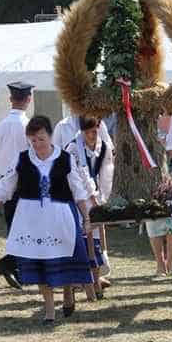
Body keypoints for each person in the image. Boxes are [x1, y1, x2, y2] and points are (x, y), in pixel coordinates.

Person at [0, 115, 96, 325]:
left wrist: (87, 217)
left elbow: (78, 191)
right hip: (32, 220)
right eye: (33, 141)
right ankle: (49, 309)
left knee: (63, 261)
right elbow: (5, 187)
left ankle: (68, 292)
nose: (37, 145)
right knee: (42, 264)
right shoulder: (23, 159)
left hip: (61, 218)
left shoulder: (65, 158)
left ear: (50, 136)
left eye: (41, 139)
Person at [0, 82, 34, 289]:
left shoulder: (1, 126)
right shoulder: (28, 126)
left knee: (15, 230)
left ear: (10, 99)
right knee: (28, 231)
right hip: (24, 185)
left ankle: (18, 268)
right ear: (29, 99)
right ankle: (10, 265)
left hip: (5, 184)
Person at [65, 115, 115, 295]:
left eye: (94, 131)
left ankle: (96, 281)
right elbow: (78, 176)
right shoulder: (73, 148)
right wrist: (91, 198)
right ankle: (84, 282)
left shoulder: (104, 147)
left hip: (96, 197)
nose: (91, 136)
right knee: (84, 238)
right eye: (87, 132)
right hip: (77, 196)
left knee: (96, 240)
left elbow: (107, 173)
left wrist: (102, 198)